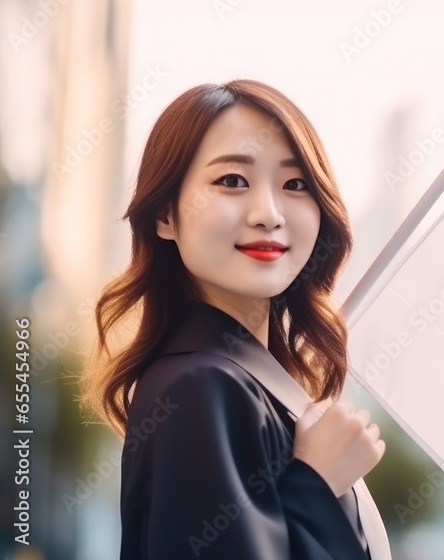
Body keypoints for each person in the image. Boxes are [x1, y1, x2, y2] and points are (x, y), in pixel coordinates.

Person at [79, 79, 391, 559]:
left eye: (294, 184)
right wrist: (316, 483)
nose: (268, 214)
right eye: (232, 181)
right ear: (165, 214)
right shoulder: (200, 384)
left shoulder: (240, 379)